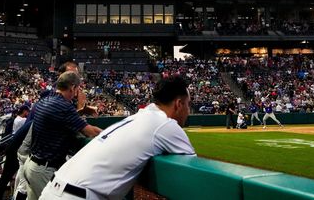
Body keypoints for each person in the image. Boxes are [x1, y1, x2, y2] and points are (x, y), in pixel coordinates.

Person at [40, 76, 196, 200]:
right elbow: (193, 166)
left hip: (52, 189)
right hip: (78, 196)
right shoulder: (165, 124)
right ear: (179, 104)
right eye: (188, 105)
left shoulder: (138, 117)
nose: (188, 111)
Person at [23, 71, 102, 200]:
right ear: (73, 88)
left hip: (31, 165)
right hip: (44, 170)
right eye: (78, 88)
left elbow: (60, 117)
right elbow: (91, 132)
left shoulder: (45, 100)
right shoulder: (64, 107)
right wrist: (111, 134)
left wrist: (81, 110)